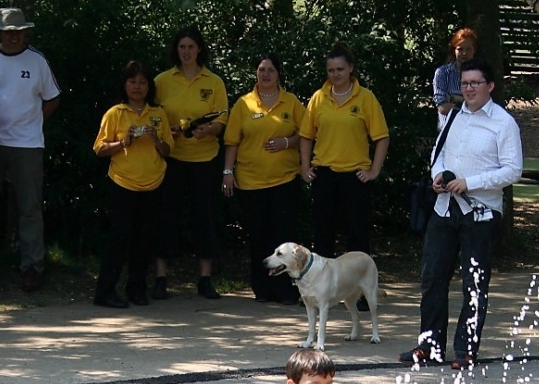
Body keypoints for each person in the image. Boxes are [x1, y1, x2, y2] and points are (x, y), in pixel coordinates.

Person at [399, 59, 522, 371]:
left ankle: (466, 349)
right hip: (445, 209)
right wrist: (438, 175)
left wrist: (472, 183)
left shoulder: (503, 122)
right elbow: (438, 153)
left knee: (474, 283)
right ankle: (430, 344)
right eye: (464, 83)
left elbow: (513, 170)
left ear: (489, 86)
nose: (468, 89)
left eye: (474, 83)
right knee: (432, 278)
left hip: (481, 214)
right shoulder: (453, 115)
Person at [299, 43, 388, 308]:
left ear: (351, 68)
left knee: (357, 237)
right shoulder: (318, 98)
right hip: (324, 175)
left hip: (355, 177)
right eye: (330, 70)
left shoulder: (366, 98)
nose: (335, 74)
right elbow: (305, 135)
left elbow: (382, 137)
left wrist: (374, 170)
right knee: (323, 235)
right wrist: (305, 167)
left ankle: (361, 294)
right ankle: (321, 293)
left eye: (340, 69)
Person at [0, 8, 61, 292]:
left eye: (18, 31)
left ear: (25, 32)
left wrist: (31, 121)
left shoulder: (37, 61)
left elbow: (52, 99)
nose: (13, 36)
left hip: (27, 144)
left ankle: (33, 267)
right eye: (8, 31)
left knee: (30, 208)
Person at [222, 54, 304, 305]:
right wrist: (227, 172)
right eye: (261, 70)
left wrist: (287, 142)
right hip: (250, 181)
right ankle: (262, 288)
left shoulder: (290, 102)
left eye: (270, 70)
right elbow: (232, 141)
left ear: (278, 73)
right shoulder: (244, 104)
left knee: (284, 237)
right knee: (258, 237)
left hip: (285, 180)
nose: (265, 74)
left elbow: (307, 133)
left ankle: (286, 290)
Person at [154, 26, 228, 300]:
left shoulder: (214, 81)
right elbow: (151, 116)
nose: (186, 52)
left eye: (191, 47)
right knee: (166, 218)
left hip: (204, 160)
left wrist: (207, 130)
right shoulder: (162, 80)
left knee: (204, 218)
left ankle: (205, 279)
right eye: (182, 47)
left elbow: (222, 121)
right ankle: (161, 279)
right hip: (171, 159)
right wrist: (167, 130)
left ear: (199, 50)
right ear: (176, 50)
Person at [93, 62, 173, 309]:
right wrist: (123, 142)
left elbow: (168, 150)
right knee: (119, 238)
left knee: (144, 239)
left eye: (142, 82)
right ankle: (105, 291)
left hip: (153, 183)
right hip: (123, 183)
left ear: (149, 86)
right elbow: (99, 149)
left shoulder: (158, 114)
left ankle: (137, 289)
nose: (137, 87)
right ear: (124, 85)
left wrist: (155, 138)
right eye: (132, 82)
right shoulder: (115, 113)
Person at [433, 28, 479, 130]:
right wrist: (469, 103)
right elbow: (442, 107)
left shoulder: (481, 74)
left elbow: (483, 106)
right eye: (460, 49)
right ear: (454, 50)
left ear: (474, 50)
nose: (464, 53)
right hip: (448, 131)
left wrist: (455, 100)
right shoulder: (442, 73)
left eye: (468, 49)